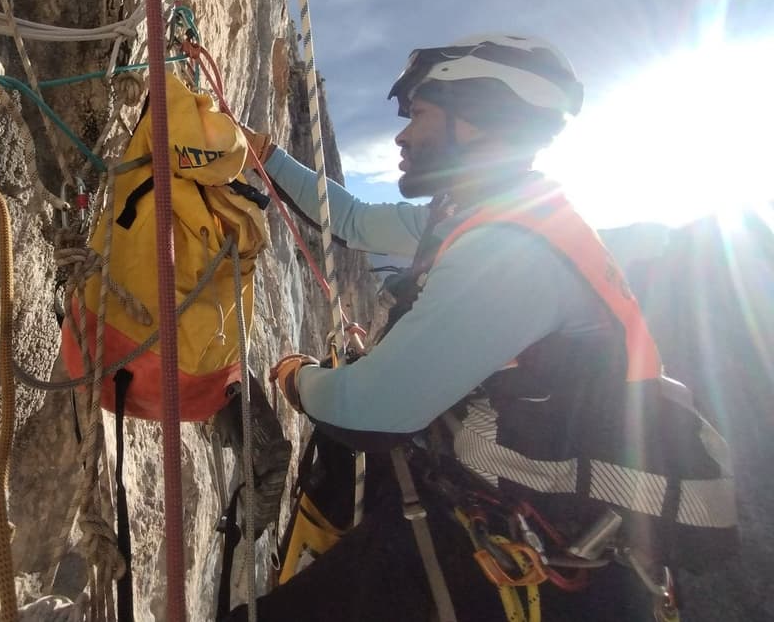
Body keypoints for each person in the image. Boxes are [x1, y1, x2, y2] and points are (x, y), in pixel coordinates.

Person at [225, 34, 735, 621]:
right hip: (514, 522)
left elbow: (371, 408)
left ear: (478, 122)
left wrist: (298, 378)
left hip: (529, 563)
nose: (401, 134)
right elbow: (354, 220)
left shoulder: (510, 250)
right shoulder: (487, 215)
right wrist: (262, 151)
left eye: (418, 113)